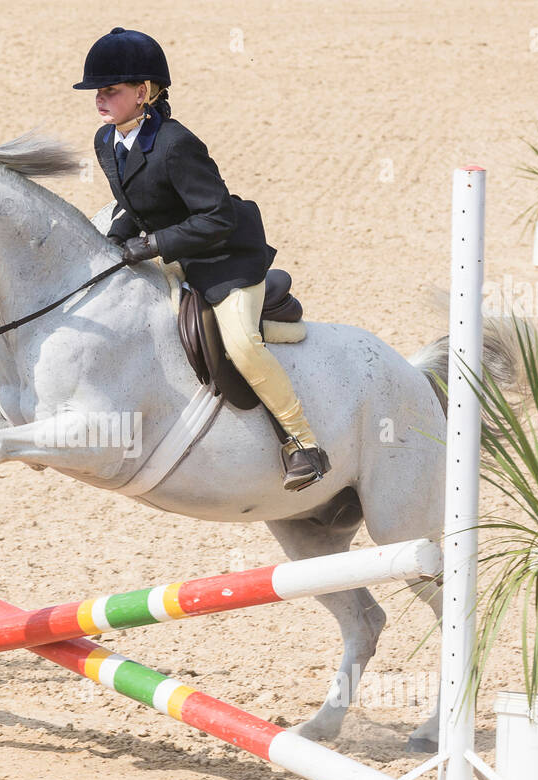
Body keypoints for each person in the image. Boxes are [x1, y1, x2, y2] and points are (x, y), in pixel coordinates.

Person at [74, 27, 329, 491]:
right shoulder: (106, 141)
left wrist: (151, 246)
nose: (99, 100)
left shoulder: (176, 144)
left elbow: (216, 218)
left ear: (144, 92)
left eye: (110, 90)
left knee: (241, 344)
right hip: (177, 253)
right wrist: (113, 243)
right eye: (97, 91)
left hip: (225, 258)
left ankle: (302, 442)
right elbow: (134, 208)